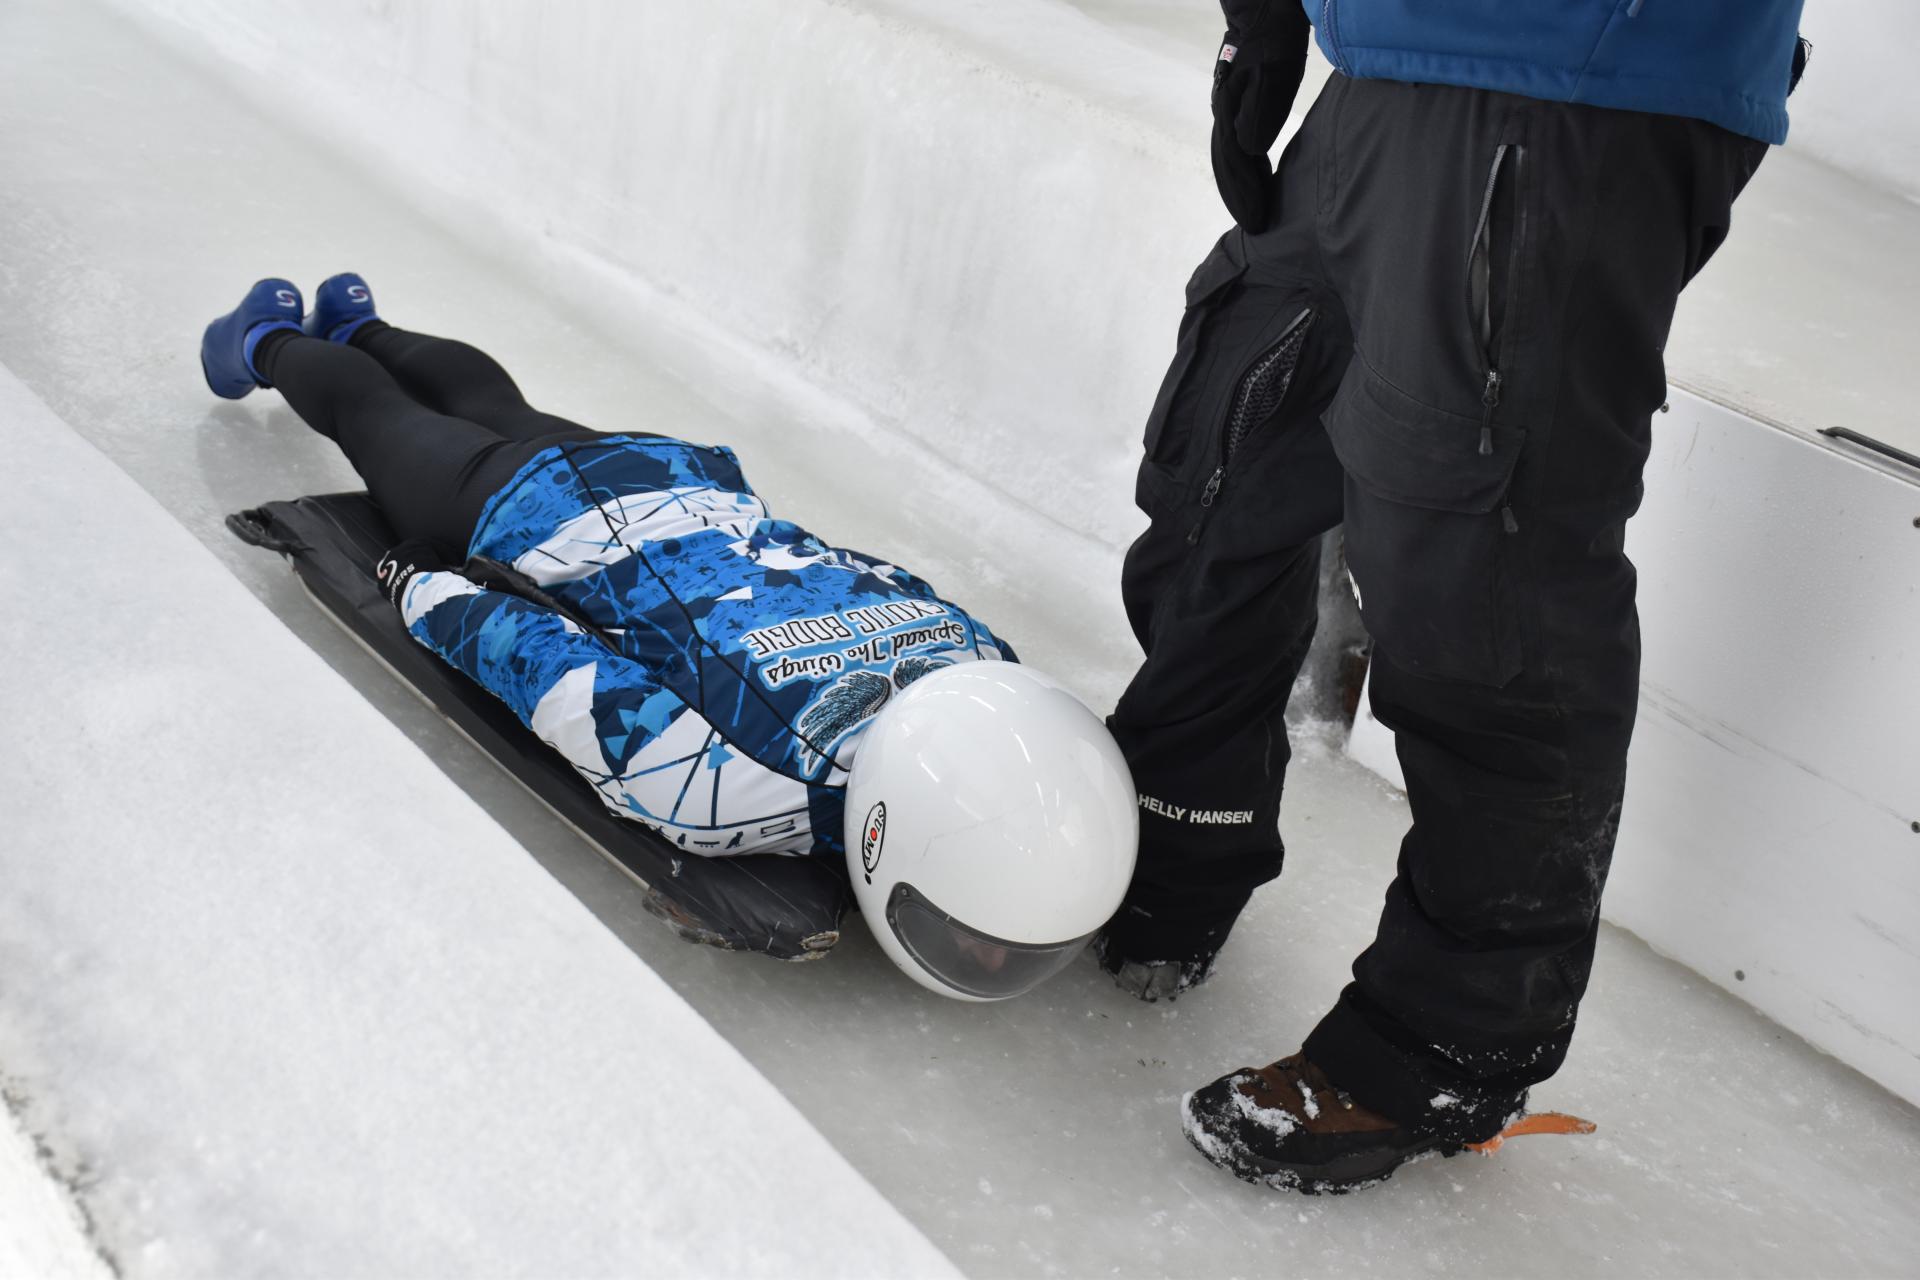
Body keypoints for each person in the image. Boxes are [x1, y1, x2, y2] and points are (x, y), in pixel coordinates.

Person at [1099, 0, 1808, 1190]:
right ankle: (1173, 839)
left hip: (1572, 83)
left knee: (1481, 573)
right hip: (1382, 56)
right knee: (1230, 448)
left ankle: (1444, 1037)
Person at [199, 274, 1136, 1001]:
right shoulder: (730, 791)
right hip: (541, 518)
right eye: (986, 941)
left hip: (687, 488)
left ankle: (361, 323)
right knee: (380, 420)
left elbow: (875, 574)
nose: (992, 956)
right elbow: (553, 673)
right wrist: (422, 586)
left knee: (498, 404)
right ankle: (262, 339)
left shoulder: (982, 666)